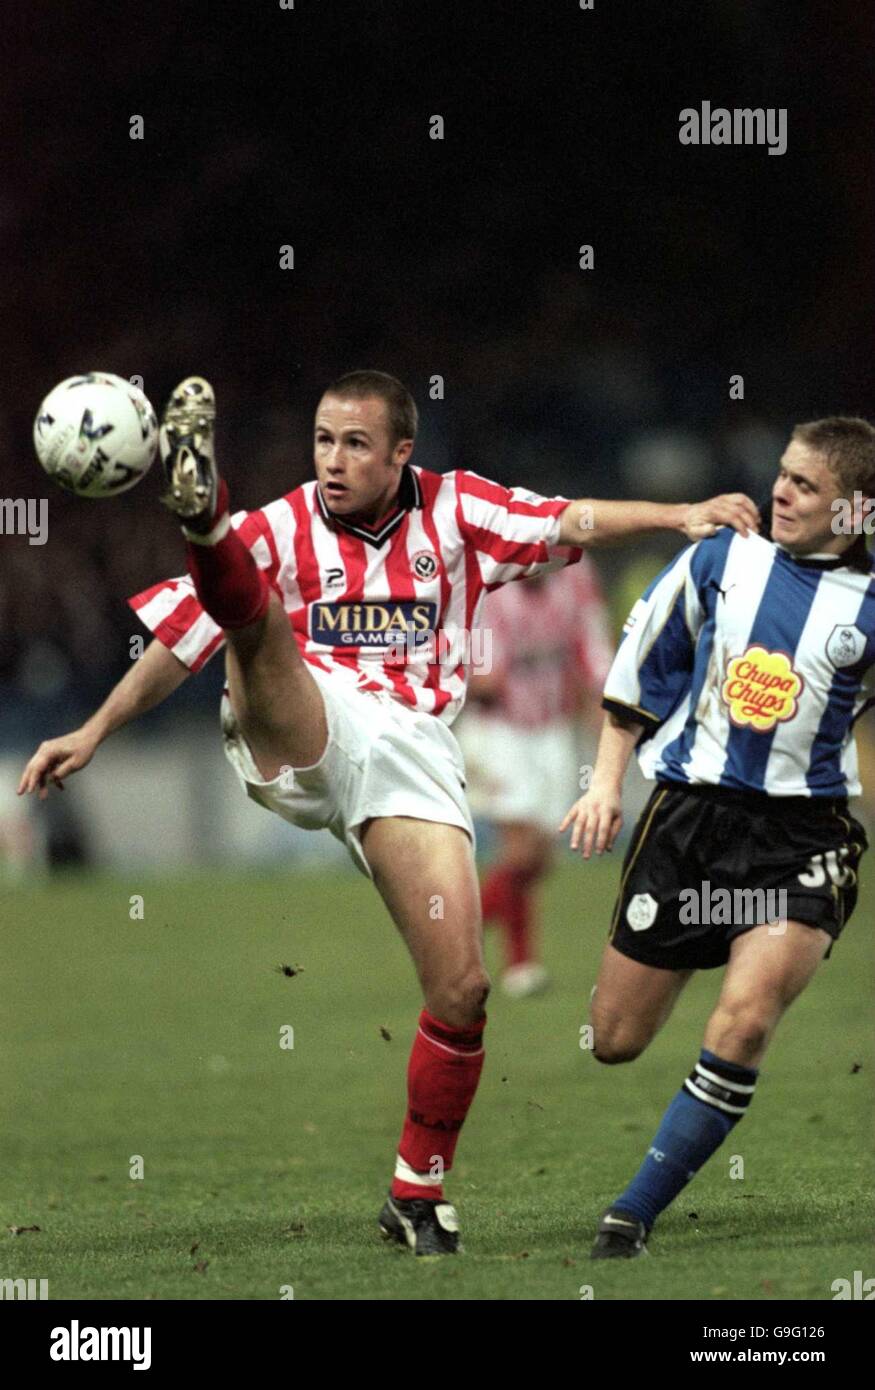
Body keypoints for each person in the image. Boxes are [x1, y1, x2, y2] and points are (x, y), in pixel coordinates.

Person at [19, 369, 757, 1256]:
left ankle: (416, 1194)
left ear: (401, 451)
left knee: (461, 989)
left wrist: (679, 516)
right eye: (323, 441)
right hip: (299, 723)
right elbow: (183, 641)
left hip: (409, 757)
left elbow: (570, 518)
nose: (332, 461)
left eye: (355, 444)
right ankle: (201, 518)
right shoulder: (280, 526)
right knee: (257, 625)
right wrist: (94, 728)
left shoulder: (459, 512)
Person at [560, 416, 875, 1259]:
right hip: (688, 821)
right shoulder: (720, 559)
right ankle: (711, 949)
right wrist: (602, 783)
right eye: (781, 474)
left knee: (741, 1024)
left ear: (853, 514)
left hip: (801, 839)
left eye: (805, 485)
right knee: (613, 1040)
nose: (778, 491)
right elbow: (641, 667)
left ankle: (631, 1215)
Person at [459, 562, 613, 996]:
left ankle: (456, 933)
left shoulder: (577, 583)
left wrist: (601, 705)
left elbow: (593, 650)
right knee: (521, 848)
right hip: (499, 733)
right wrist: (479, 671)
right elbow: (479, 678)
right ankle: (520, 965)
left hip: (553, 730)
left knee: (539, 859)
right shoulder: (488, 591)